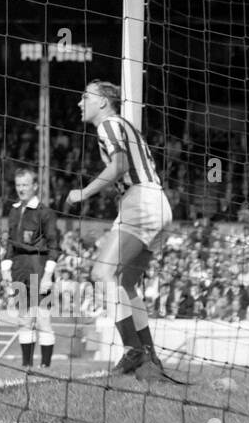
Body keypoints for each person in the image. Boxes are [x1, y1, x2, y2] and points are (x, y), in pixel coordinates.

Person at [66, 80, 176, 382]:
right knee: (126, 283)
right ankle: (150, 357)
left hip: (140, 201)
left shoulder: (108, 125)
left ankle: (132, 349)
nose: (79, 103)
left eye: (85, 97)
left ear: (103, 102)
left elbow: (119, 165)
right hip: (158, 203)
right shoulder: (123, 125)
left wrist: (83, 193)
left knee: (102, 275)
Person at [1, 168, 61, 370]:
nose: (21, 189)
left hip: (39, 266)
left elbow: (54, 246)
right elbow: (10, 241)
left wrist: (48, 276)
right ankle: (26, 365)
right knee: (24, 318)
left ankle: (45, 366)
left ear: (35, 186)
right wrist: (6, 268)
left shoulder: (46, 213)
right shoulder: (14, 210)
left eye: (25, 185)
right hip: (19, 268)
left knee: (43, 319)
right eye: (18, 185)